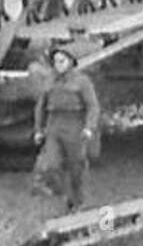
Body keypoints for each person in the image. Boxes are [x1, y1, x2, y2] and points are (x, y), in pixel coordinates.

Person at [33, 45, 100, 212]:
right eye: (55, 61)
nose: (58, 65)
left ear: (70, 62)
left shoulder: (82, 81)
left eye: (62, 61)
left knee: (76, 165)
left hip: (74, 125)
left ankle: (77, 199)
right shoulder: (49, 81)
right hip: (54, 125)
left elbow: (92, 106)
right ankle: (64, 192)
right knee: (52, 164)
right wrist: (38, 129)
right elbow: (40, 107)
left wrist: (89, 127)